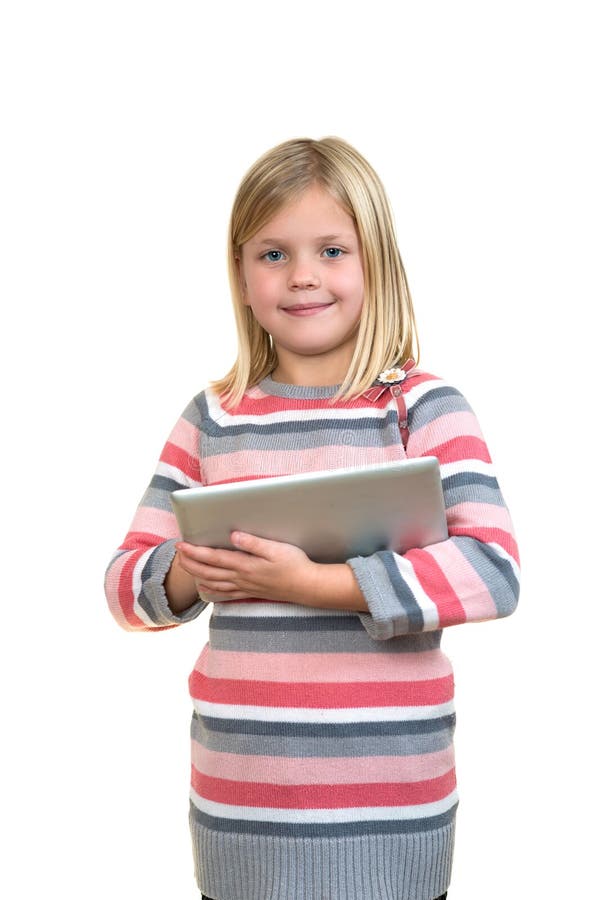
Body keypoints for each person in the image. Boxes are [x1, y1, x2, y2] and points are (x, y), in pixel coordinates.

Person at [105, 136, 519, 900]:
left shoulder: (420, 408)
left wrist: (314, 583)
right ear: (239, 272)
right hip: (241, 805)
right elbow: (125, 588)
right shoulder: (212, 419)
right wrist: (188, 569)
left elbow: (492, 572)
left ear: (377, 266)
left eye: (331, 250)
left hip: (391, 806)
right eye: (272, 254)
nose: (301, 276)